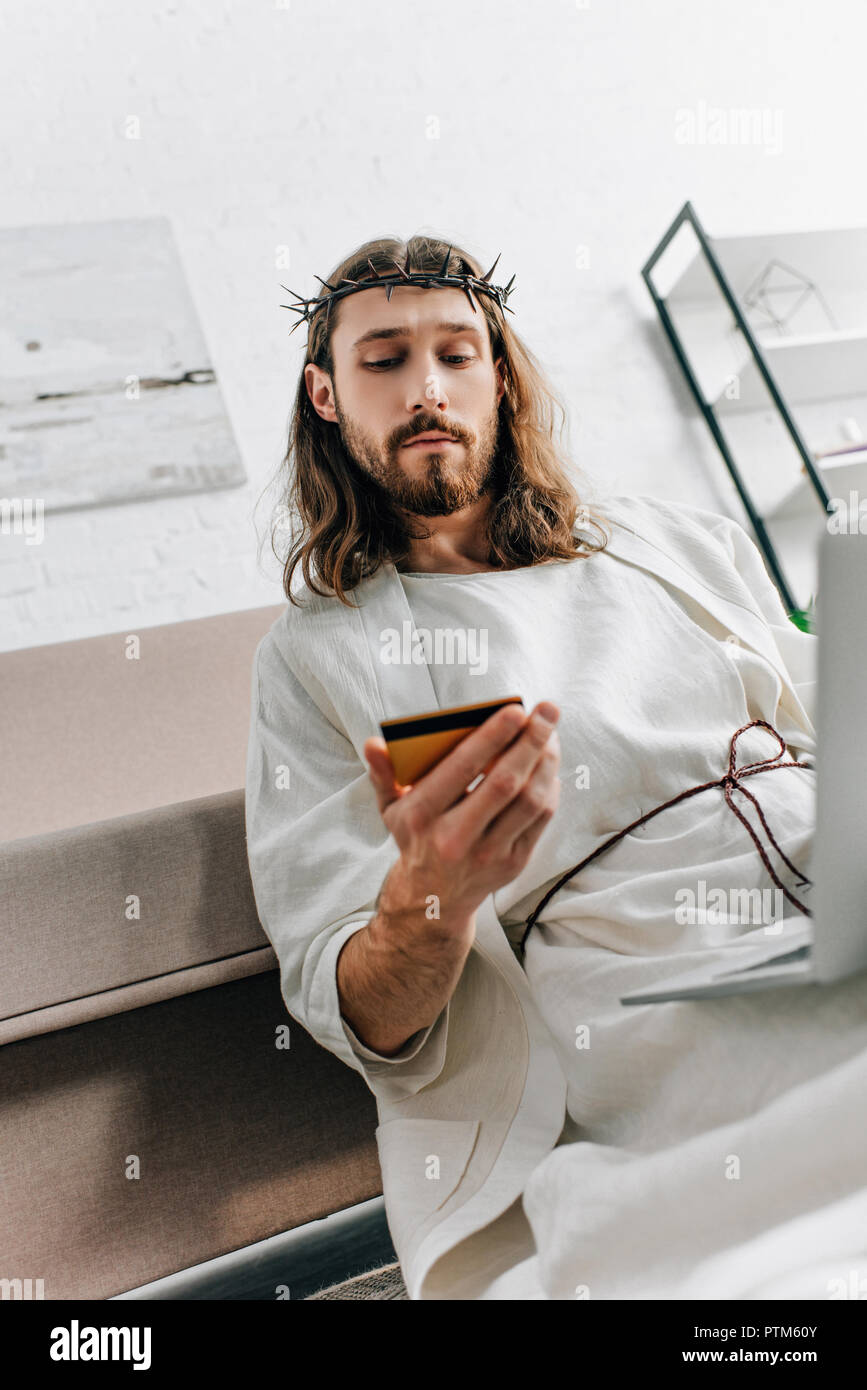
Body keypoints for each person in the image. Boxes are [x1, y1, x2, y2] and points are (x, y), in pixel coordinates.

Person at [245, 234, 867, 1300]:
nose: (428, 388)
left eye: (456, 352)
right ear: (327, 395)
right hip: (641, 969)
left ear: (500, 373)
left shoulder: (669, 540)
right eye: (384, 359)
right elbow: (357, 1005)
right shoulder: (319, 655)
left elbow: (826, 703)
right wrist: (429, 899)